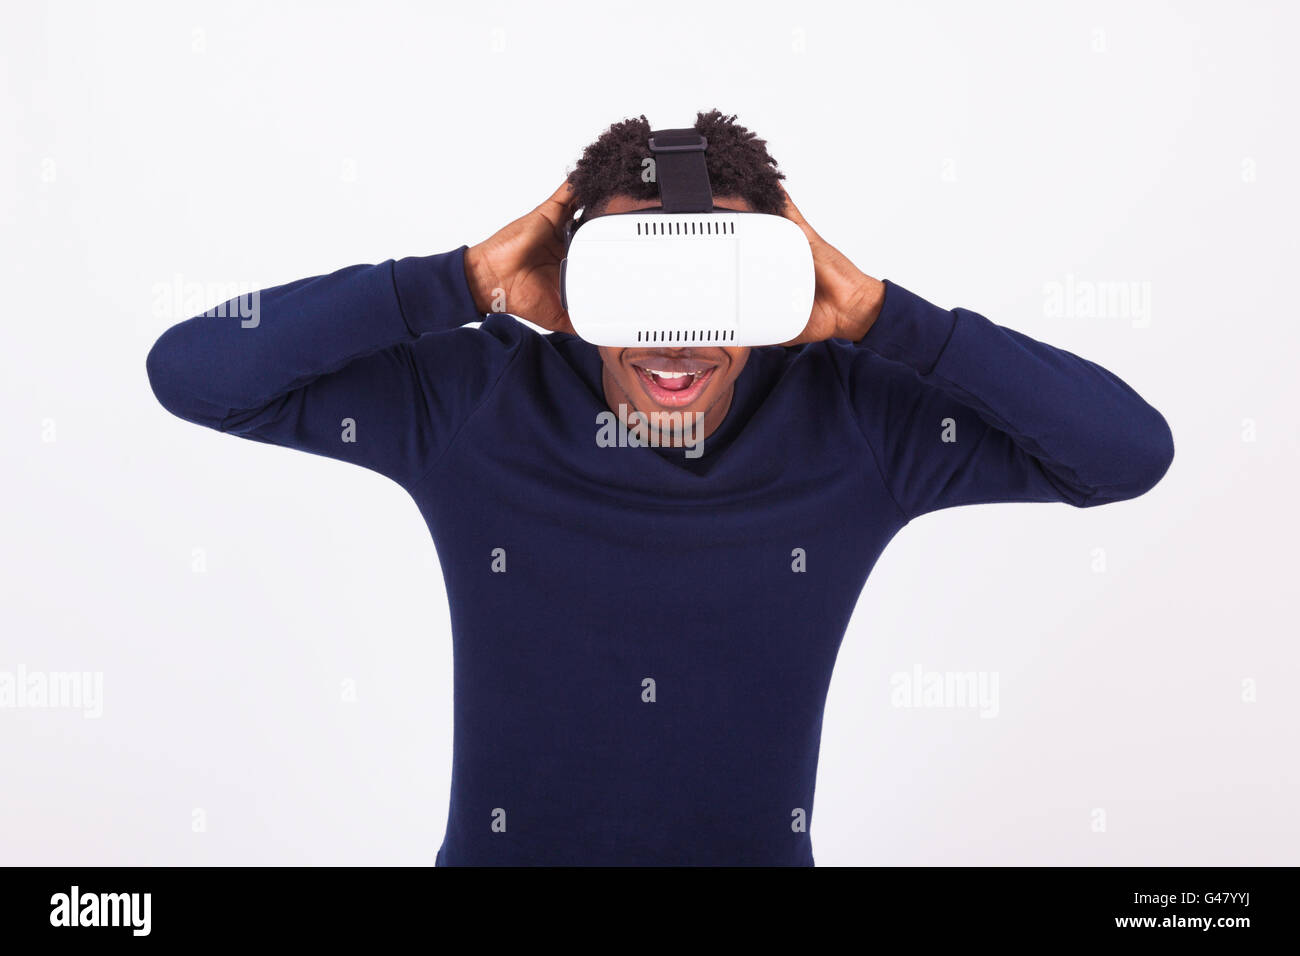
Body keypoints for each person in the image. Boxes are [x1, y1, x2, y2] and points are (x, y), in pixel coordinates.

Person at [145, 110, 1174, 866]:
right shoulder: (478, 395)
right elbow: (193, 374)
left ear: (775, 279)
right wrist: (457, 284)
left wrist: (876, 313)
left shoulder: (857, 417)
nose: (676, 338)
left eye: (711, 287)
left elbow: (1124, 453)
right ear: (577, 279)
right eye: (641, 285)